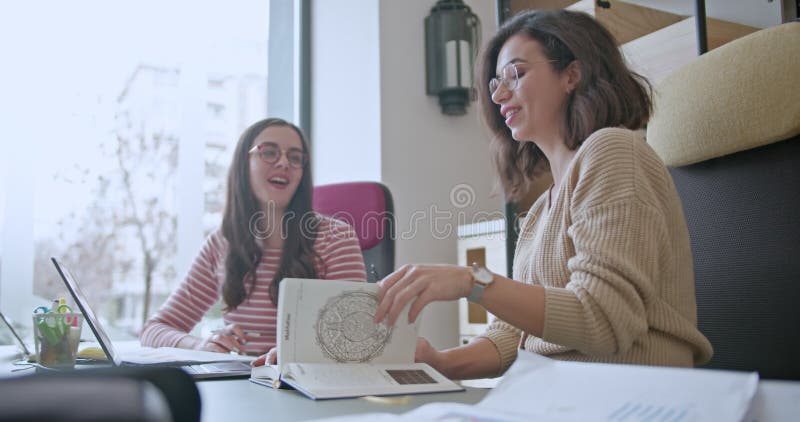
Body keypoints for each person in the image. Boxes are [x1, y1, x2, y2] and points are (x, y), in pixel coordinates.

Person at [374, 9, 713, 380]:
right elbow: (520, 334)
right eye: (495, 83)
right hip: (558, 394)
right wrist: (442, 363)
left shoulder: (615, 151)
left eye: (515, 74)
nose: (500, 93)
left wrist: (473, 281)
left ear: (571, 74)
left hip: (629, 394)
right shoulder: (540, 211)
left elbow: (602, 320)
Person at [141, 118, 367, 355]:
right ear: (243, 165)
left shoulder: (336, 238)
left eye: (295, 157)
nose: (283, 162)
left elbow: (356, 338)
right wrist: (200, 344)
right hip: (239, 382)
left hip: (303, 384)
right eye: (269, 152)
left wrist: (296, 352)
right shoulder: (222, 243)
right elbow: (155, 329)